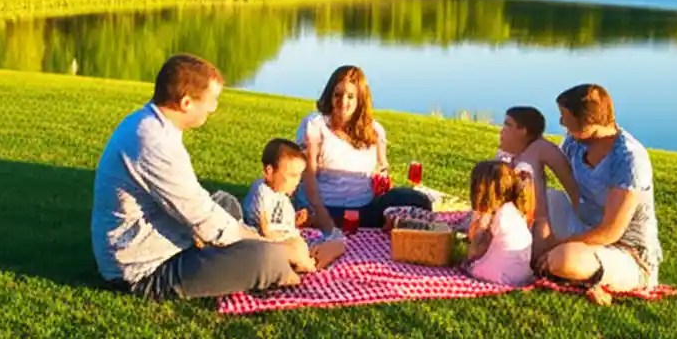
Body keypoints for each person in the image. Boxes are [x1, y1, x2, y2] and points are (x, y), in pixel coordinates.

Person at [91, 54, 300, 300]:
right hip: (144, 269)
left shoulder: (151, 123)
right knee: (268, 258)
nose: (214, 107)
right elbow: (203, 218)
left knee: (226, 204)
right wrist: (276, 247)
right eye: (212, 100)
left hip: (162, 236)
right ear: (186, 102)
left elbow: (195, 204)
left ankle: (265, 252)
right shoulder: (153, 142)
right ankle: (278, 263)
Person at [535, 84, 663, 304]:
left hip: (626, 253)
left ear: (587, 122)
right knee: (542, 199)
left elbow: (610, 232)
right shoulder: (575, 143)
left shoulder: (629, 159)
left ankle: (571, 272)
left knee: (565, 259)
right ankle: (550, 262)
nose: (561, 123)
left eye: (565, 117)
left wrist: (556, 244)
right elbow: (547, 160)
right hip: (583, 227)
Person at [296, 65, 431, 233]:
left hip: (365, 207)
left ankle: (376, 224)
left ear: (360, 99)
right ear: (329, 95)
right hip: (327, 206)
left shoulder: (374, 130)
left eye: (350, 96)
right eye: (337, 95)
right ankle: (320, 222)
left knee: (419, 201)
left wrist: (381, 178)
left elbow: (382, 168)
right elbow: (308, 175)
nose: (343, 102)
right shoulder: (316, 125)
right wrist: (319, 211)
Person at [243, 138, 345, 270]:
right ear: (269, 172)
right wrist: (292, 242)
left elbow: (280, 220)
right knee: (300, 246)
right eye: (292, 175)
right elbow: (266, 229)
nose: (296, 181)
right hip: (269, 245)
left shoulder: (281, 194)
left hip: (290, 239)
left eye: (299, 176)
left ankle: (313, 259)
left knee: (337, 239)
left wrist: (296, 221)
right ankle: (310, 265)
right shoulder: (262, 191)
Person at [495, 106, 579, 246]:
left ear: (524, 131)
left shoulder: (541, 148)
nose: (502, 130)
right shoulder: (506, 152)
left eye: (508, 125)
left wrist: (583, 214)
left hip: (538, 223)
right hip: (508, 220)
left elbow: (570, 180)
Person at [462, 160, 536, 287]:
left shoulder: (494, 216)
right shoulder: (515, 210)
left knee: (468, 264)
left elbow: (477, 251)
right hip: (522, 275)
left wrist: (477, 229)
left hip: (498, 276)